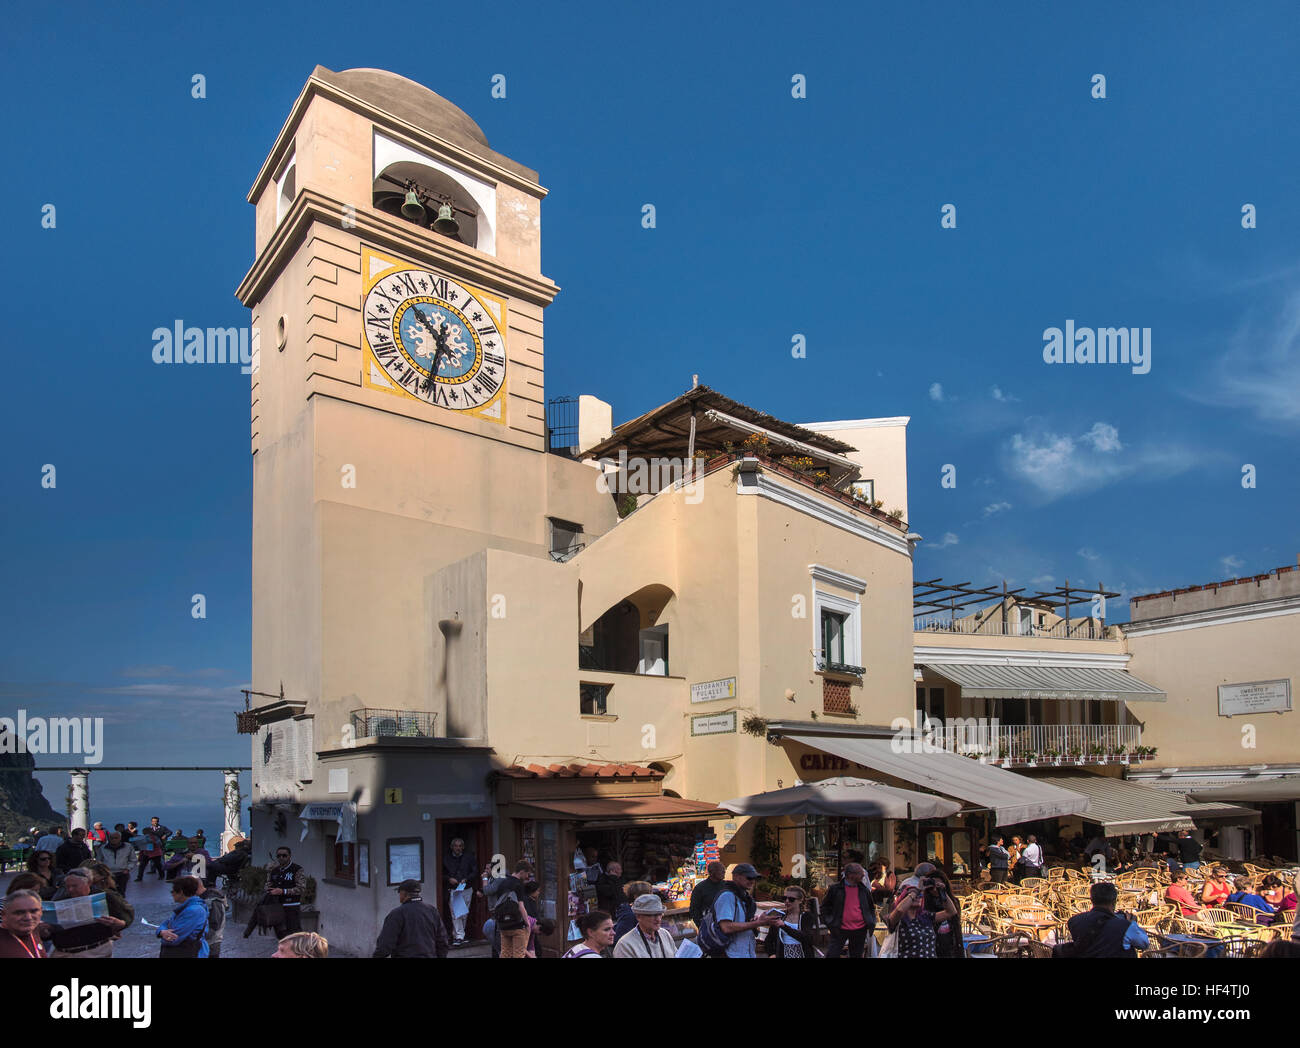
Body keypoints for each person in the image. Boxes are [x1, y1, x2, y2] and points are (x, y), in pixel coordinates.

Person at [42, 867, 127, 957]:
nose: (70, 889)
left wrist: (118, 923)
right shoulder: (59, 901)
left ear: (89, 883)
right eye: (68, 886)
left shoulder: (104, 898)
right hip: (64, 953)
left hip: (97, 952)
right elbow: (48, 934)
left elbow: (123, 921)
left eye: (74, 886)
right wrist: (45, 930)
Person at [709, 863, 782, 958]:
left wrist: (754, 921)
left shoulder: (744, 898)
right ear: (736, 877)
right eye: (749, 878)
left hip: (744, 952)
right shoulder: (727, 896)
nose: (752, 881)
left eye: (754, 878)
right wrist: (758, 923)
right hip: (730, 953)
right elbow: (726, 927)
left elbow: (739, 922)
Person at [1062, 882, 1149, 957]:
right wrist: (1132, 923)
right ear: (1114, 902)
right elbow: (1144, 944)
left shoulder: (1074, 921)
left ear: (1091, 900)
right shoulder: (1125, 926)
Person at [374, 879, 450, 958]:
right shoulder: (433, 911)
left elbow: (385, 944)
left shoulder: (397, 914)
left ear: (403, 893)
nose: (399, 896)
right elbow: (442, 942)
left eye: (399, 893)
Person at [886, 883, 957, 959]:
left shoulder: (925, 916)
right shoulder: (899, 920)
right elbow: (899, 910)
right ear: (904, 898)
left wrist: (942, 892)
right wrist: (916, 891)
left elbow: (951, 912)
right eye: (912, 895)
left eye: (920, 895)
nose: (917, 897)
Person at [822, 861, 876, 958]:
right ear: (850, 875)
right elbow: (825, 907)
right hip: (839, 928)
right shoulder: (835, 889)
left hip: (860, 929)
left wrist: (871, 921)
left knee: (857, 955)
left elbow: (871, 907)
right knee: (832, 954)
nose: (863, 876)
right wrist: (829, 922)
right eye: (860, 874)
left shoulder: (864, 890)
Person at [483, 859, 533, 959]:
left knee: (505, 953)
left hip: (503, 924)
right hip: (517, 924)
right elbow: (521, 906)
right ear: (522, 872)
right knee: (518, 954)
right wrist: (527, 923)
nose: (527, 877)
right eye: (527, 874)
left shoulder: (502, 883)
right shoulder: (518, 885)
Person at [155, 876, 210, 957]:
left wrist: (162, 933)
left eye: (172, 891)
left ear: (180, 892)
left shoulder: (193, 910)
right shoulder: (186, 907)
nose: (172, 894)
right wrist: (161, 932)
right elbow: (167, 923)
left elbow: (172, 938)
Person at [260, 846, 307, 938]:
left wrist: (283, 891)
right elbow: (267, 885)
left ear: (289, 856)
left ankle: (296, 952)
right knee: (280, 934)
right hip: (277, 907)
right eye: (279, 856)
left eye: (284, 855)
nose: (281, 858)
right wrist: (268, 889)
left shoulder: (296, 869)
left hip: (292, 907)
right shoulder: (274, 871)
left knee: (294, 934)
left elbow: (301, 888)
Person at [612, 893, 678, 957]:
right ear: (638, 917)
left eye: (660, 914)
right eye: (652, 915)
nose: (658, 919)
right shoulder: (625, 945)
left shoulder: (664, 934)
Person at [762, 885, 817, 959]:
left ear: (800, 900)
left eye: (791, 899)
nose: (787, 901)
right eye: (784, 898)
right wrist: (771, 954)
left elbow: (806, 938)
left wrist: (784, 926)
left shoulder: (806, 916)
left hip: (802, 953)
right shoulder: (780, 916)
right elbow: (769, 939)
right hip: (783, 953)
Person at [441, 837, 478, 945]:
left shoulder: (469, 858)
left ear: (463, 847)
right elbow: (441, 873)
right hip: (454, 889)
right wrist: (449, 879)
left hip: (466, 888)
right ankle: (459, 936)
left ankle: (458, 935)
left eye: (460, 846)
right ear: (452, 847)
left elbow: (475, 872)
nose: (458, 848)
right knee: (456, 913)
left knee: (464, 913)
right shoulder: (446, 859)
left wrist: (466, 879)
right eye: (456, 846)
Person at [0, 890, 46, 958]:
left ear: (41, 911)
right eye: (19, 913)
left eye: (33, 911)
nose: (28, 918)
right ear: (3, 915)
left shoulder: (33, 930)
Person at [96, 831, 137, 897]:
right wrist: (103, 871)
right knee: (109, 893)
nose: (114, 840)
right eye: (111, 838)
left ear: (120, 838)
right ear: (109, 839)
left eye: (116, 838)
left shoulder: (128, 847)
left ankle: (121, 906)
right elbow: (99, 860)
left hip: (122, 873)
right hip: (108, 874)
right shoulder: (103, 848)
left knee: (121, 892)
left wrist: (128, 868)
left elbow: (133, 859)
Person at [689, 860, 727, 925]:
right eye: (721, 870)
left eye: (724, 870)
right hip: (709, 925)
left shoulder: (727, 886)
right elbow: (694, 909)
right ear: (712, 873)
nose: (724, 872)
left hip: (726, 923)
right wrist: (701, 925)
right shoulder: (700, 888)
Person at [196, 878, 227, 958]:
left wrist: (197, 937)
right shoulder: (207, 899)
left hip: (211, 944)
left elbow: (214, 926)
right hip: (209, 943)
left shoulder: (213, 902)